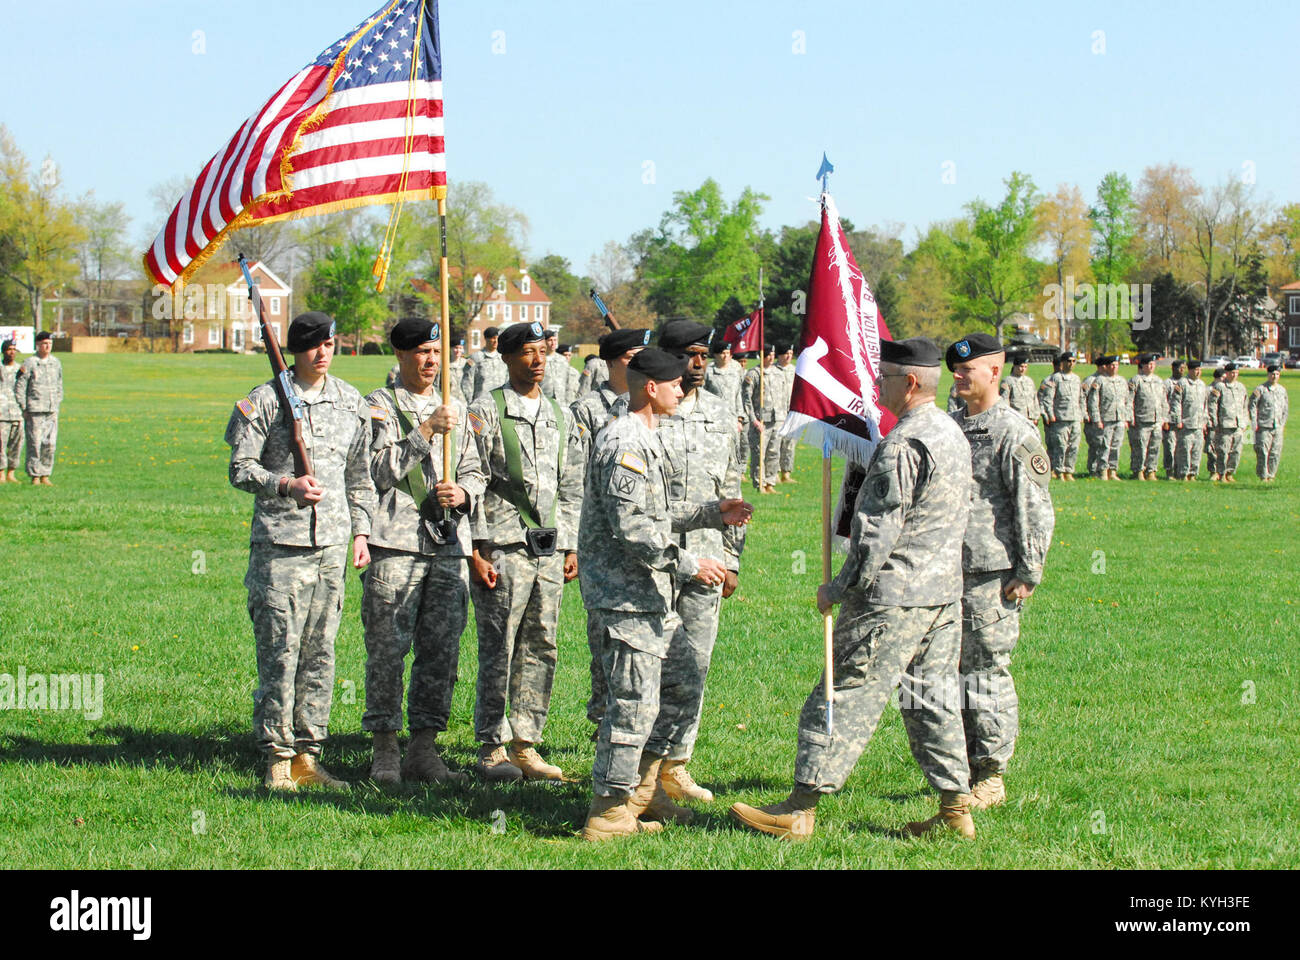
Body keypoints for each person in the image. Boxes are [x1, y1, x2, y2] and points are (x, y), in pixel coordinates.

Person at [729, 338, 977, 841]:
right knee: (931, 700)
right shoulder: (951, 432)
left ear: (910, 382)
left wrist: (838, 588)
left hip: (892, 598)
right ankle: (956, 809)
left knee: (841, 694)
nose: (877, 385)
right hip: (942, 595)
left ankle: (800, 809)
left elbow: (877, 532)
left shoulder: (904, 444)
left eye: (885, 377)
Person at [578, 348, 750, 841]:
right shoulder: (624, 442)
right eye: (674, 383)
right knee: (631, 704)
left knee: (661, 694)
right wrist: (692, 563)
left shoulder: (644, 437)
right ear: (651, 388)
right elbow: (632, 528)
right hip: (624, 595)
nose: (683, 388)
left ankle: (641, 792)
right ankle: (608, 812)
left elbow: (655, 511)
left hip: (647, 594)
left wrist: (711, 513)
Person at [224, 312, 377, 791]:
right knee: (280, 652)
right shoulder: (266, 399)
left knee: (320, 654)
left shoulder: (350, 401)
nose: (322, 353)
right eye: (313, 345)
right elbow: (240, 467)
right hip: (280, 548)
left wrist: (361, 533)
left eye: (329, 344)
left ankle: (309, 756)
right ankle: (277, 756)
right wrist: (285, 485)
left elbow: (360, 477)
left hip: (331, 547)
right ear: (294, 350)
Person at [361, 319, 487, 785]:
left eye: (437, 352)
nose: (432, 360)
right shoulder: (378, 406)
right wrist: (426, 430)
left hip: (449, 546)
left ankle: (424, 748)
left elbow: (476, 470)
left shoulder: (457, 407)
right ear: (400, 354)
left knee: (441, 651)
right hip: (396, 543)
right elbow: (375, 471)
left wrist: (465, 493)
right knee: (387, 650)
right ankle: (385, 749)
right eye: (422, 352)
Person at [466, 321, 580, 781]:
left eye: (542, 353)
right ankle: (492, 744)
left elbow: (572, 484)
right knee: (499, 645)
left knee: (541, 644)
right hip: (503, 546)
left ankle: (526, 742)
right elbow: (471, 478)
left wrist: (570, 543)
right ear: (507, 357)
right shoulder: (486, 409)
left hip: (548, 548)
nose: (537, 361)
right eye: (527, 353)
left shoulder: (559, 413)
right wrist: (476, 547)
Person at [947, 333, 1054, 808]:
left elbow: (1035, 505)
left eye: (967, 369)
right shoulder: (950, 426)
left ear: (994, 371)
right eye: (955, 369)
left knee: (985, 672)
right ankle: (961, 770)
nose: (958, 375)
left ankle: (990, 775)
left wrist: (1028, 570)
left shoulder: (1014, 431)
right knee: (947, 674)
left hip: (992, 574)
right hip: (947, 570)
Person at [652, 321, 746, 805]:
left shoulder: (719, 411)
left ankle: (676, 763)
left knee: (696, 662)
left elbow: (732, 487)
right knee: (647, 662)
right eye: (690, 354)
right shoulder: (646, 412)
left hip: (707, 557)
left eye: (704, 355)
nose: (698, 363)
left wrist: (733, 558)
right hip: (655, 556)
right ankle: (639, 767)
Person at [566, 328, 650, 729]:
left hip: (642, 534)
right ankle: (603, 716)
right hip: (601, 539)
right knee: (604, 631)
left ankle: (636, 718)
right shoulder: (586, 410)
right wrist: (572, 542)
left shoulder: (647, 405)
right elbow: (574, 478)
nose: (640, 363)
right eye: (633, 356)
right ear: (612, 361)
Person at [15, 331, 62, 486]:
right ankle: (35, 475)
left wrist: (57, 402)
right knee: (35, 443)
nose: (48, 346)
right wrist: (24, 407)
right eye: (44, 344)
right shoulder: (30, 363)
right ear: (38, 344)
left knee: (49, 444)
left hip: (51, 410)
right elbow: (20, 386)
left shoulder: (55, 363)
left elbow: (59, 384)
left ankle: (45, 474)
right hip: (34, 410)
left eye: (50, 344)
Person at [742, 344, 781, 493]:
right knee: (759, 454)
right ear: (762, 356)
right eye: (768, 355)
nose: (771, 358)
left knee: (774, 452)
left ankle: (770, 482)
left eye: (773, 355)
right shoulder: (754, 374)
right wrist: (754, 419)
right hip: (760, 420)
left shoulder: (777, 372)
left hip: (776, 419)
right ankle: (760, 483)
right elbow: (747, 399)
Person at [703, 339, 747, 470]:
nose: (726, 356)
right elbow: (702, 395)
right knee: (715, 451)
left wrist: (740, 418)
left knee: (733, 450)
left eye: (728, 353)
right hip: (714, 418)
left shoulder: (736, 368)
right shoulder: (708, 371)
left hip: (732, 418)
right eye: (722, 353)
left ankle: (733, 475)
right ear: (715, 355)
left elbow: (738, 394)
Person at [1039, 352, 1082, 480]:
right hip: (1060, 418)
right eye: (1069, 361)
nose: (1071, 363)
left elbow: (1080, 398)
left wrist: (1081, 414)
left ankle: (1069, 471)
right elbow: (1048, 399)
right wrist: (1050, 415)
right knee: (1060, 446)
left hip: (1075, 417)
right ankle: (1058, 471)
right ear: (1062, 363)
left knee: (1073, 446)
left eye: (1074, 361)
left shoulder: (1076, 379)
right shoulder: (1055, 378)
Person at [1127, 353, 1168, 480]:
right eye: (1149, 364)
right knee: (1140, 448)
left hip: (1157, 420)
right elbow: (1129, 401)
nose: (1151, 366)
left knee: (1154, 447)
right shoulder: (1136, 380)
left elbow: (1163, 401)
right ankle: (1139, 470)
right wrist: (1130, 418)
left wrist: (1164, 418)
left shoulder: (1159, 381)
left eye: (1153, 364)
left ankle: (1151, 471)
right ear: (1143, 366)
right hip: (1142, 419)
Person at [1087, 355, 1127, 479]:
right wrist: (1097, 419)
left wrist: (1126, 418)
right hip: (1105, 418)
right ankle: (1103, 470)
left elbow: (1127, 400)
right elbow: (1093, 402)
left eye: (1116, 365)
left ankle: (1112, 471)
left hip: (1119, 418)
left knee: (1116, 446)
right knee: (1104, 446)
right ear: (1107, 366)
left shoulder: (1122, 381)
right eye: (1112, 365)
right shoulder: (1100, 380)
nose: (1114, 367)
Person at [1208, 363, 1248, 482]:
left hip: (1238, 425)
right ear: (1227, 373)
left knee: (1236, 451)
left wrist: (1244, 422)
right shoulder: (1220, 387)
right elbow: (1212, 405)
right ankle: (1221, 474)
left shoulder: (1241, 387)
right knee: (1223, 451)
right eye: (1232, 373)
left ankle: (1230, 473)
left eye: (1236, 373)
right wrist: (1215, 422)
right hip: (1224, 425)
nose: (1234, 375)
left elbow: (1245, 405)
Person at [1171, 359, 1209, 480]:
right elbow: (1176, 403)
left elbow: (1205, 405)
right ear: (1190, 370)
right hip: (1186, 423)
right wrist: (1178, 420)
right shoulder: (1182, 383)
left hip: (1198, 424)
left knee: (1197, 451)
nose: (1198, 372)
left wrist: (1205, 422)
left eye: (1200, 370)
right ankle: (1183, 473)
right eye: (1196, 370)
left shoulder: (1202, 385)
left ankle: (1193, 474)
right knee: (1185, 450)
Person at [1249, 365, 1288, 481]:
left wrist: (1282, 423)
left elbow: (1285, 409)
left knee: (1275, 452)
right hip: (1263, 426)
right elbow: (1252, 406)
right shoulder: (1260, 389)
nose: (1274, 376)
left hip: (1277, 426)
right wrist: (1254, 422)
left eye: (1277, 374)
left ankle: (1271, 475)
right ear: (1268, 375)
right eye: (1272, 374)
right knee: (1263, 452)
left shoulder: (1282, 390)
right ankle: (1263, 476)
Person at [774, 344, 798, 482]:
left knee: (790, 443)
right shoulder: (773, 370)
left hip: (791, 412)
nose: (789, 356)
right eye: (786, 353)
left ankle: (786, 473)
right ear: (779, 355)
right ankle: (774, 472)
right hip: (776, 412)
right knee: (775, 444)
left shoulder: (794, 371)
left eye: (791, 353)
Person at [463, 326, 507, 401]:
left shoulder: (503, 357)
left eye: (497, 338)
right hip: (481, 401)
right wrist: (471, 402)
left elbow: (507, 379)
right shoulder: (476, 357)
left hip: (500, 401)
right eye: (493, 338)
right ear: (486, 339)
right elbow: (467, 381)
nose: (496, 341)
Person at [0, 340, 22, 483]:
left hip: (17, 412)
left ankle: (11, 473)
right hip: (1, 413)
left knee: (16, 445)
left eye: (14, 349)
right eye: (9, 349)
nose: (12, 352)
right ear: (3, 351)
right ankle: (1, 473)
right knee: (0, 445)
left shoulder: (20, 369)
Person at [999, 351, 1039, 423]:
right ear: (1015, 366)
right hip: (1016, 419)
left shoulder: (1029, 381)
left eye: (1025, 367)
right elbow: (1004, 401)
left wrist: (1036, 416)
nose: (1023, 369)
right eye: (1021, 366)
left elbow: (1035, 399)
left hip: (1030, 419)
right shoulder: (1007, 381)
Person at [1162, 360, 1184, 478]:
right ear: (1173, 369)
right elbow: (1163, 402)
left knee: (1181, 448)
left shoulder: (1185, 383)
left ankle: (1179, 471)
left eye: (1184, 368)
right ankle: (1169, 471)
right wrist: (1165, 420)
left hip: (1183, 421)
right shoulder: (1167, 383)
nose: (1182, 370)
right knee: (1170, 447)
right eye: (1180, 368)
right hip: (1170, 421)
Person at [1205, 366, 1227, 478]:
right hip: (1212, 424)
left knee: (1223, 448)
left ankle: (1224, 471)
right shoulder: (1209, 389)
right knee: (1212, 448)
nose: (1225, 380)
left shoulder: (1226, 389)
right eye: (1223, 377)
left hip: (1224, 424)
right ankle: (1213, 471)